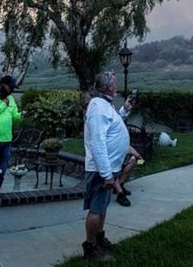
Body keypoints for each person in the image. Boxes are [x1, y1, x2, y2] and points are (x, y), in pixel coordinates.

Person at [82, 71, 132, 261]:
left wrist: (124, 110)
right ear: (109, 86)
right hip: (101, 170)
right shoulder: (97, 107)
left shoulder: (103, 106)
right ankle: (90, 247)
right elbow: (97, 142)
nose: (117, 85)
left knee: (102, 207)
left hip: (108, 168)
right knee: (96, 208)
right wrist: (106, 174)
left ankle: (99, 238)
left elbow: (112, 126)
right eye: (115, 82)